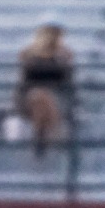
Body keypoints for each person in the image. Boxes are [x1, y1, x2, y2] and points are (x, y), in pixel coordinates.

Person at [15, 22, 75, 159]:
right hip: (30, 99)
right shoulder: (29, 55)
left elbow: (68, 83)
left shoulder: (63, 56)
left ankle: (40, 139)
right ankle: (52, 136)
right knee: (40, 95)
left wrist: (66, 63)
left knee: (43, 98)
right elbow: (24, 82)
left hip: (56, 99)